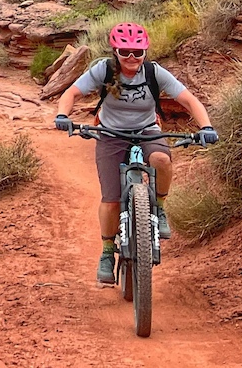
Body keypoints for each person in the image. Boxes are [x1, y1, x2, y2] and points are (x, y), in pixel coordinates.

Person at [53, 22, 218, 284]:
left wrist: (206, 126)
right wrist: (63, 114)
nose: (132, 58)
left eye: (137, 52)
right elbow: (71, 92)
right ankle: (107, 252)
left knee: (161, 159)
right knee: (111, 199)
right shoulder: (104, 70)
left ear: (145, 53)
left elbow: (188, 99)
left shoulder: (154, 72)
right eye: (125, 51)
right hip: (110, 133)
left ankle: (159, 208)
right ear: (115, 52)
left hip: (147, 130)